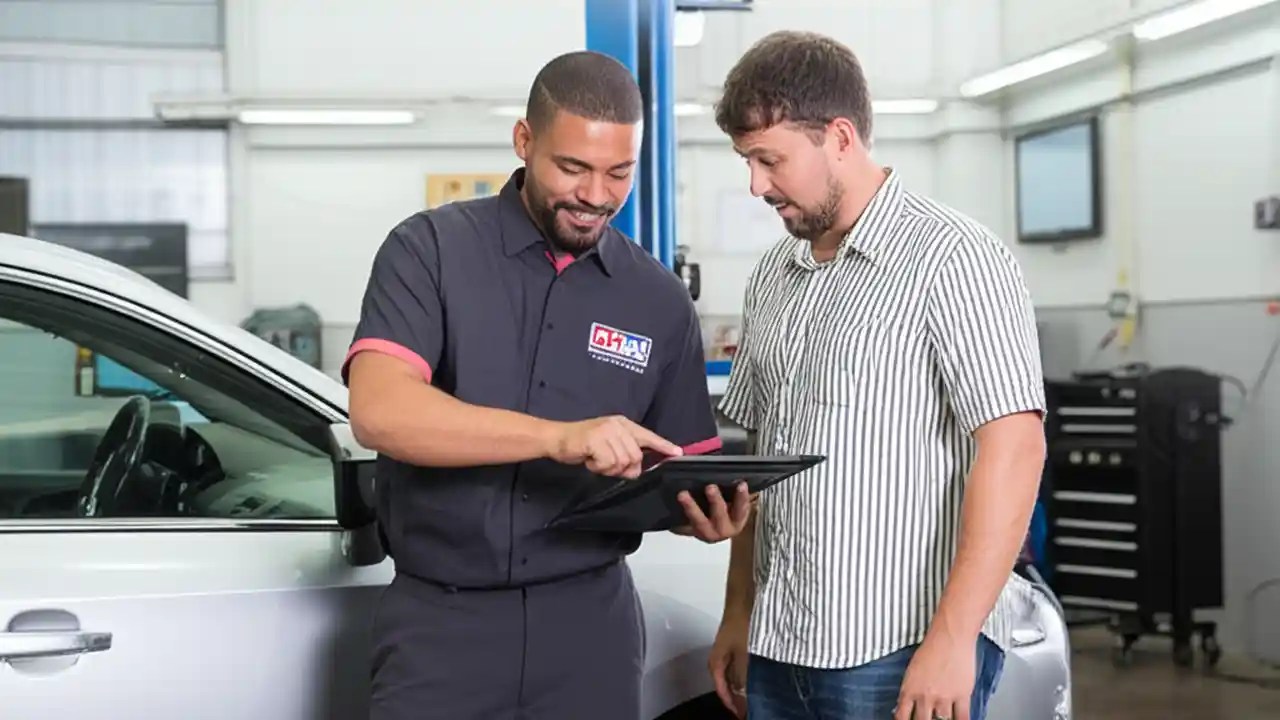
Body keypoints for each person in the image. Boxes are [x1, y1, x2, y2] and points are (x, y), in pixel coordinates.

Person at [344, 50, 753, 720]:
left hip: (590, 630)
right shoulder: (429, 252)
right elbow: (380, 411)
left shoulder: (657, 299)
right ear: (524, 141)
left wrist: (706, 517)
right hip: (441, 628)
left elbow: (681, 470)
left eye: (619, 173)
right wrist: (559, 438)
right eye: (574, 168)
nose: (596, 194)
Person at [706, 31, 1048, 720]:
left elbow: (1015, 448)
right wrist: (738, 610)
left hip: (901, 649)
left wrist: (953, 638)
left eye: (770, 160)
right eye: (747, 162)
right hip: (782, 642)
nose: (756, 185)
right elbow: (762, 462)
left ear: (838, 137)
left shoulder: (955, 259)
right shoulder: (774, 274)